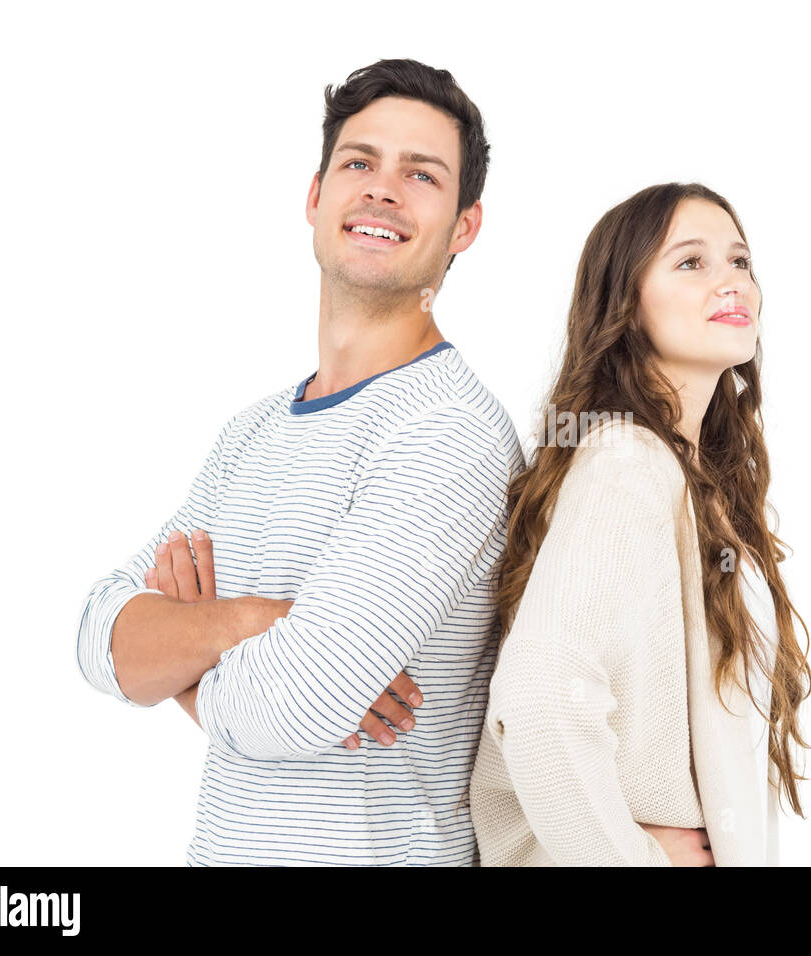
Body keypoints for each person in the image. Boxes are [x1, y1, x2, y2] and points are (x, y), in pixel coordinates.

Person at [76, 58, 524, 866]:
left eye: (421, 174)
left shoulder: (448, 431)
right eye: (359, 162)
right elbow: (98, 639)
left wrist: (182, 649)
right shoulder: (251, 433)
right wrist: (265, 622)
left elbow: (290, 708)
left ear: (464, 226)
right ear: (315, 197)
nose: (382, 191)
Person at [469, 182, 811, 866]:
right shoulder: (627, 464)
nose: (731, 281)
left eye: (740, 261)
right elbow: (541, 698)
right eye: (691, 262)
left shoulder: (690, 476)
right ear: (625, 306)